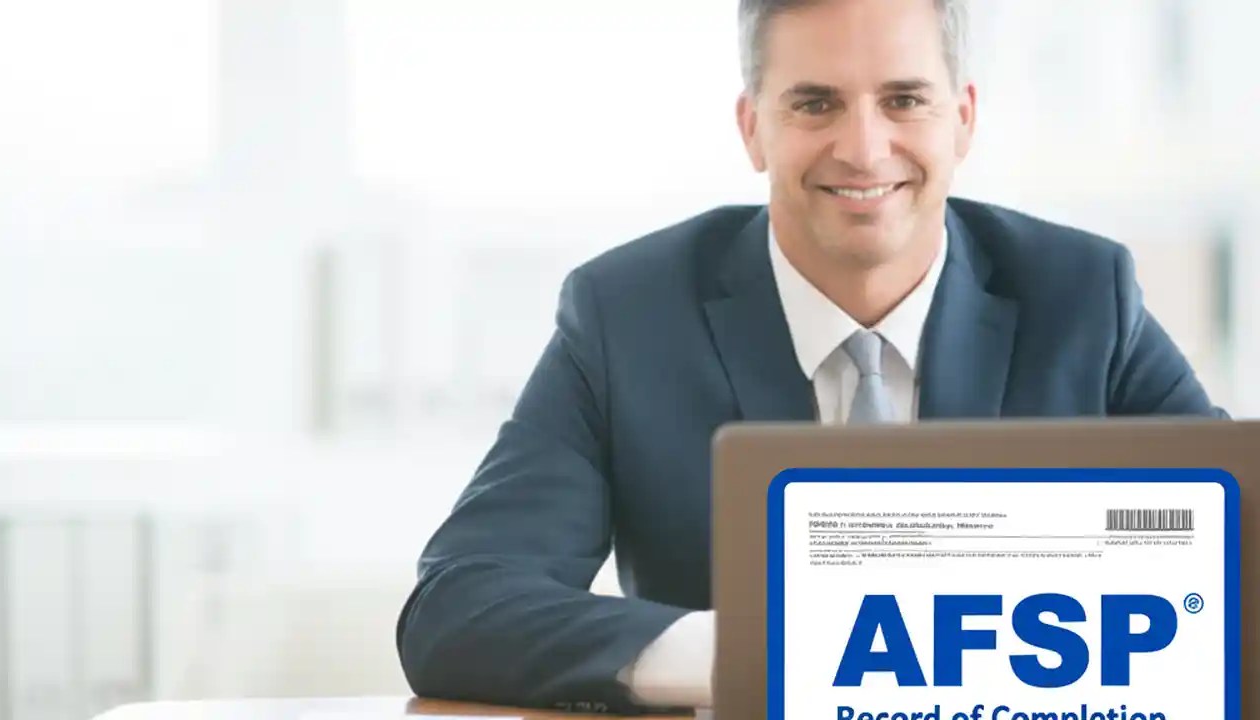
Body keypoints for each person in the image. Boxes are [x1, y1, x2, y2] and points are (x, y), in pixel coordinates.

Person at [396, 0, 1227, 714]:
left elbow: (1235, 560)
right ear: (752, 126)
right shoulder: (625, 316)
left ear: (963, 118)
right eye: (815, 104)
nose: (864, 149)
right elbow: (459, 605)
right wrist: (766, 655)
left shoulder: (1084, 295)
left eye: (904, 99)